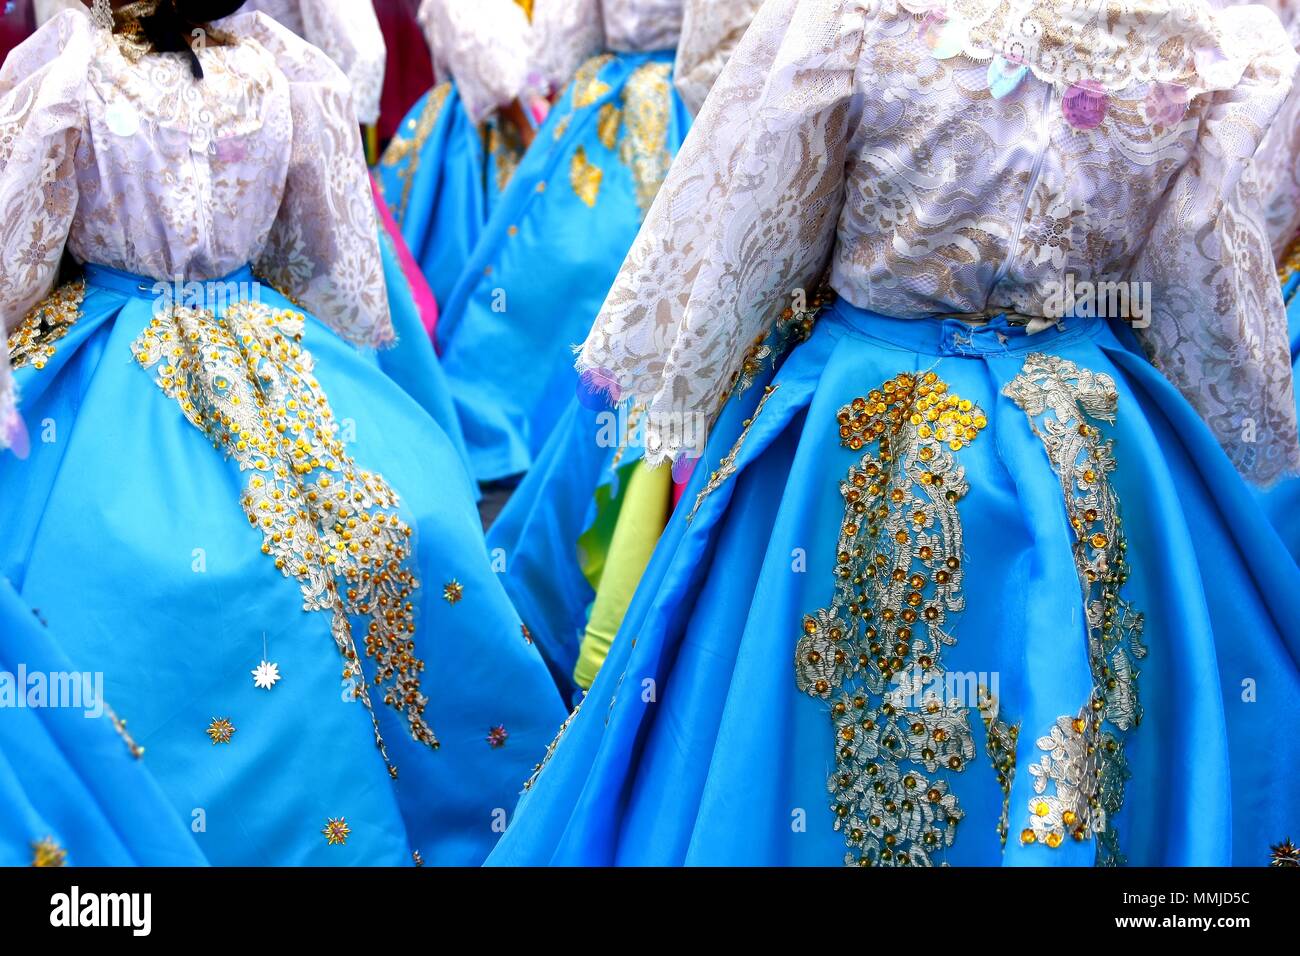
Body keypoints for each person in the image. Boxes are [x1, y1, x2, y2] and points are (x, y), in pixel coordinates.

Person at [489, 0, 1300, 866]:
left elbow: (765, 210)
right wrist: (1220, 420)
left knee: (787, 721)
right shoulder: (1213, 33)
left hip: (861, 408)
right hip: (1088, 421)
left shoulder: (857, 11)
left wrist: (709, 369)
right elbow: (1196, 266)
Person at [0, 1, 565, 865]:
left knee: (111, 575)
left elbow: (19, 263)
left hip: (114, 349)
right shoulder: (278, 71)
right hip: (260, 338)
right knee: (389, 527)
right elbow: (325, 268)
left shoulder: (69, 72)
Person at [484, 0, 767, 697]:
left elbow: (567, 36)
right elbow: (717, 55)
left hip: (633, 99)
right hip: (688, 112)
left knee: (627, 296)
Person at [374, 0, 537, 312]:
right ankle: (471, 313)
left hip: (486, 112)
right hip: (478, 122)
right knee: (464, 226)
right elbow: (492, 72)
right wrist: (526, 127)